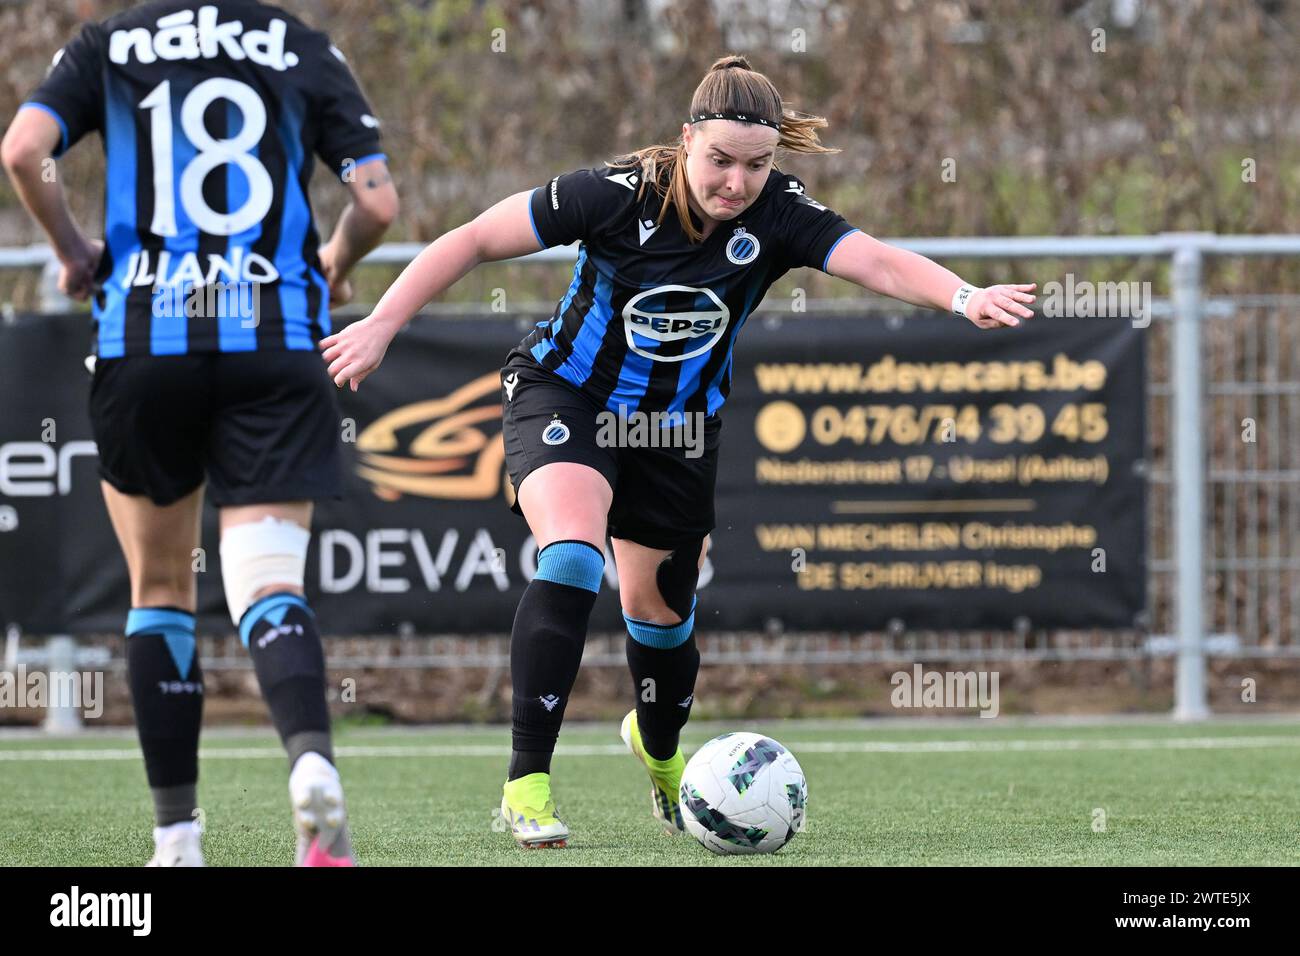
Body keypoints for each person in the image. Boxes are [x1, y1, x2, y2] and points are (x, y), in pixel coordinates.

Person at [320, 54, 1033, 848]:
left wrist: (964, 296)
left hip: (678, 430)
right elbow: (475, 238)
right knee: (571, 559)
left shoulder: (780, 214)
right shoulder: (614, 194)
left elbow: (878, 260)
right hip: (568, 395)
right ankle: (527, 786)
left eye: (756, 166)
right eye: (720, 161)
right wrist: (383, 323)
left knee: (660, 620)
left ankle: (661, 757)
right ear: (687, 139)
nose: (735, 183)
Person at [1, 0, 398, 866]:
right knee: (266, 586)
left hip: (147, 340)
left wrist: (73, 250)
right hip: (273, 336)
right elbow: (376, 201)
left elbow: (23, 152)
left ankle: (178, 839)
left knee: (159, 592)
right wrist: (332, 265)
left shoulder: (109, 42)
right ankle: (310, 768)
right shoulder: (299, 43)